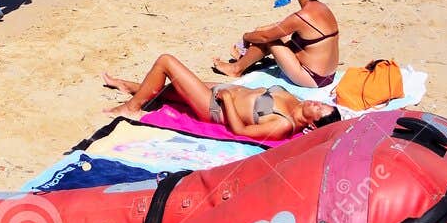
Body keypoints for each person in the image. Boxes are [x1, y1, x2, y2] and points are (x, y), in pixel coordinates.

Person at [100, 55, 340, 138]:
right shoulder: (297, 102)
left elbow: (241, 131)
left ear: (312, 124)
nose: (315, 103)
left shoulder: (282, 124)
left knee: (167, 63)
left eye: (318, 110)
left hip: (216, 107)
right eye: (321, 104)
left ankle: (131, 108)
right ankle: (128, 86)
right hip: (222, 92)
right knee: (169, 90)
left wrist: (227, 102)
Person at [211, 0, 340, 87]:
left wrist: (246, 36)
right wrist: (259, 30)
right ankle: (245, 59)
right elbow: (279, 27)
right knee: (269, 34)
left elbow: (265, 37)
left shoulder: (302, 17)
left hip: (312, 78)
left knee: (269, 40)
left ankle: (236, 69)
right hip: (328, 75)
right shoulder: (323, 9)